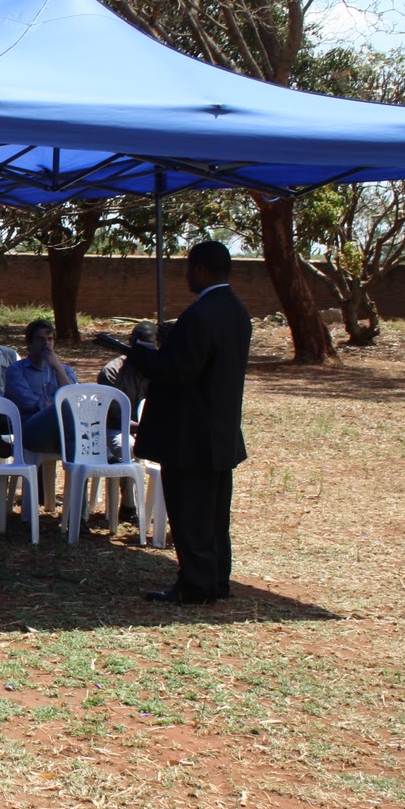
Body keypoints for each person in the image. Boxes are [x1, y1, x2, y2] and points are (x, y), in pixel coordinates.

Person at [129, 242, 250, 604]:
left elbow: (180, 370)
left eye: (188, 268)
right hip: (220, 432)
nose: (185, 276)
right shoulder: (237, 312)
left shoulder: (200, 315)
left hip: (189, 433)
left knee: (189, 513)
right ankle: (217, 579)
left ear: (201, 269)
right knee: (214, 515)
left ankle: (196, 585)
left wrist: (140, 357)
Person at [4, 318, 77, 455]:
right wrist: (57, 407)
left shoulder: (65, 370)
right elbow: (27, 402)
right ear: (30, 344)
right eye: (40, 339)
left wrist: (56, 367)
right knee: (65, 405)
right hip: (30, 433)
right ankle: (103, 452)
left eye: (50, 339)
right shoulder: (16, 370)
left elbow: (73, 398)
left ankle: (81, 472)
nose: (46, 344)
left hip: (60, 434)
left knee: (73, 440)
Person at [98, 320, 156, 464]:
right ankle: (129, 487)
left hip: (146, 429)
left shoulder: (157, 370)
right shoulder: (112, 371)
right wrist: (146, 428)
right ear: (131, 343)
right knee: (129, 446)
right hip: (114, 430)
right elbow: (115, 418)